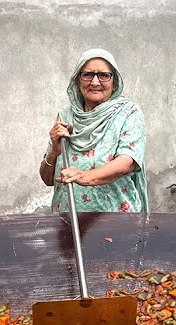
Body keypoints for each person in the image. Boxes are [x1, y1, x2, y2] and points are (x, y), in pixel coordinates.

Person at [39, 48, 148, 213]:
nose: (95, 82)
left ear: (114, 81)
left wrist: (83, 176)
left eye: (104, 75)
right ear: (77, 80)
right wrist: (54, 151)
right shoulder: (66, 116)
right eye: (88, 74)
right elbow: (48, 179)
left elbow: (127, 162)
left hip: (115, 222)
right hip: (67, 223)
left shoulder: (128, 112)